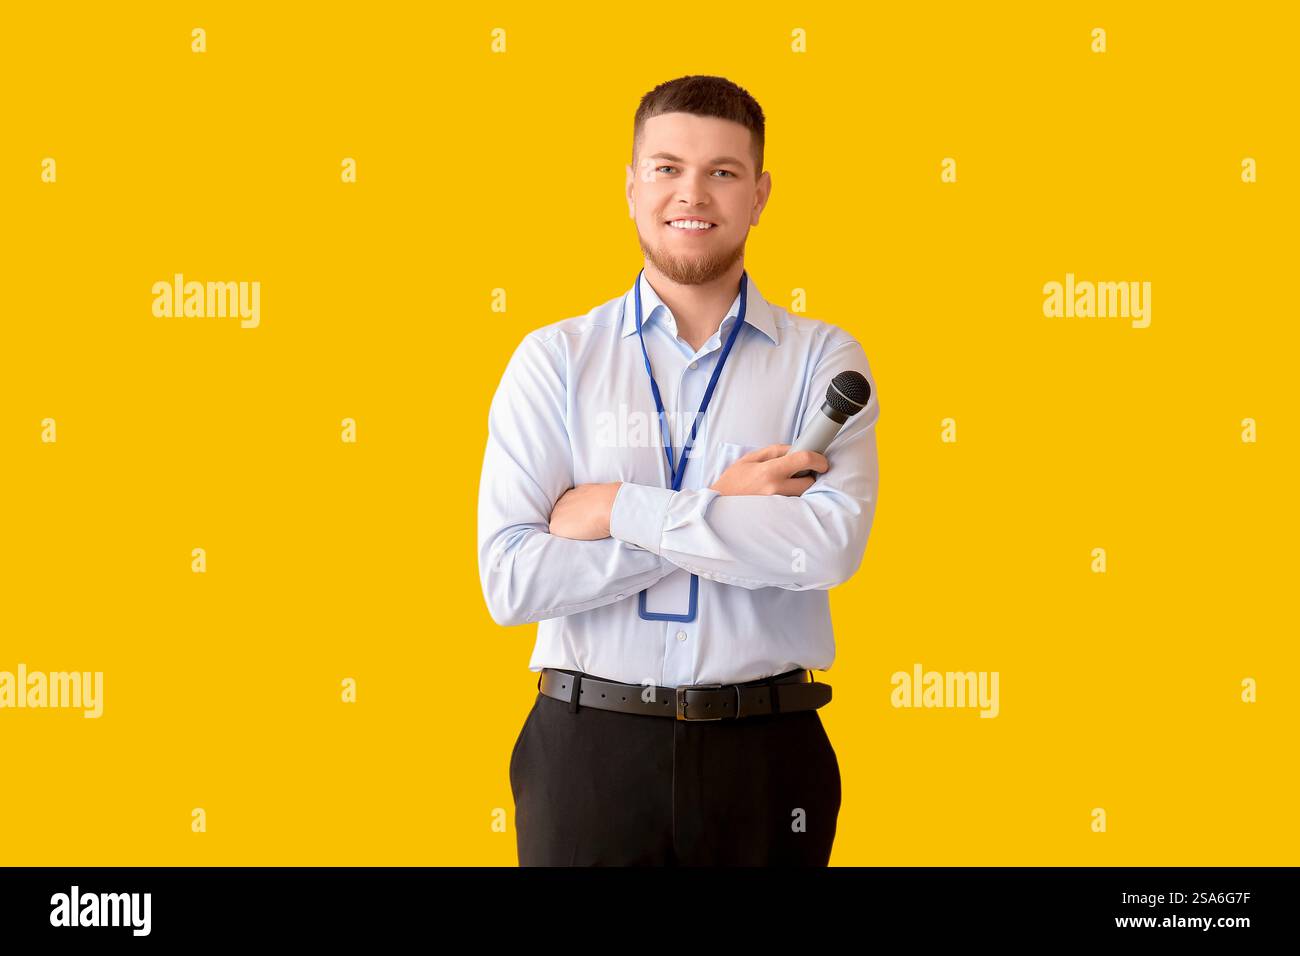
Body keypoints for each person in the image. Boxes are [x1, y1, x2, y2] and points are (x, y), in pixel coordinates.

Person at [477, 74, 880, 865]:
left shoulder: (824, 361)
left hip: (767, 758)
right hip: (586, 756)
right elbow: (512, 581)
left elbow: (826, 551)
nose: (692, 194)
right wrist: (721, 506)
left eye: (722, 171)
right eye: (667, 168)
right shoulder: (553, 360)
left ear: (759, 195)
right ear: (632, 187)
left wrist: (615, 509)